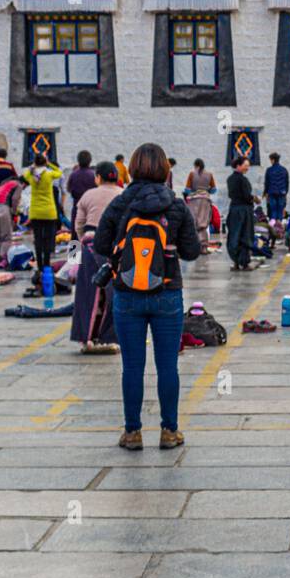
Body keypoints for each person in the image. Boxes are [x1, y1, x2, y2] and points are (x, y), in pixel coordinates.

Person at [95, 143, 201, 451]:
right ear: (165, 170)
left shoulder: (121, 202)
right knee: (168, 365)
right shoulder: (177, 204)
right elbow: (192, 252)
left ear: (132, 168)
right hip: (167, 291)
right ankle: (169, 431)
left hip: (127, 294)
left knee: (132, 366)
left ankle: (132, 432)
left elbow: (101, 244)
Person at [72, 161, 124, 353]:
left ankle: (87, 338)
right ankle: (110, 337)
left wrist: (78, 252)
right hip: (115, 247)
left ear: (98, 177)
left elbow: (78, 225)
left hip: (91, 244)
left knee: (88, 292)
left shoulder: (87, 194)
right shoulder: (123, 194)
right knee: (114, 291)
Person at [23, 154, 62, 273]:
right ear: (44, 162)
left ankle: (39, 265)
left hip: (35, 212)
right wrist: (49, 163)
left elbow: (25, 174)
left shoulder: (31, 176)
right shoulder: (49, 175)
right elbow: (59, 172)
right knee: (48, 238)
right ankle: (46, 263)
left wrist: (33, 166)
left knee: (38, 238)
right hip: (49, 211)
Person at [226, 155, 256, 271]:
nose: (247, 168)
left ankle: (236, 262)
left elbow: (231, 195)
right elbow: (247, 196)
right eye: (245, 166)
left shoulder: (230, 179)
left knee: (234, 235)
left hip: (234, 209)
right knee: (245, 235)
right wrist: (254, 198)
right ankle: (244, 263)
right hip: (244, 210)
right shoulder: (243, 180)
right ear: (238, 166)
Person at [184, 158, 217, 252]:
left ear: (195, 165)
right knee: (203, 224)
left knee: (193, 222)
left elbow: (187, 189)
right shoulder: (209, 174)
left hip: (193, 200)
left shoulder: (191, 174)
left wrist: (192, 191)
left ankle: (194, 246)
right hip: (205, 201)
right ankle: (204, 247)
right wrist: (205, 190)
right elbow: (214, 189)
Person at [0, 176, 22, 260]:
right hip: (3, 208)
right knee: (6, 238)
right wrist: (14, 212)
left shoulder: (3, 185)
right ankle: (4, 260)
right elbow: (15, 198)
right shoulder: (18, 185)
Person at [66, 150, 97, 218]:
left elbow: (68, 189)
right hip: (90, 208)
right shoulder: (93, 175)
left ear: (78, 160)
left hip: (77, 206)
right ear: (90, 161)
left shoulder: (73, 175)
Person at [264, 152, 290, 222]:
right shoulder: (284, 170)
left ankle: (273, 227)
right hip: (282, 192)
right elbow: (287, 182)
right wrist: (285, 192)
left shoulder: (269, 170)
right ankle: (279, 227)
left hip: (272, 192)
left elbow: (267, 182)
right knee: (280, 211)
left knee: (273, 211)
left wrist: (265, 193)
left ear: (272, 160)